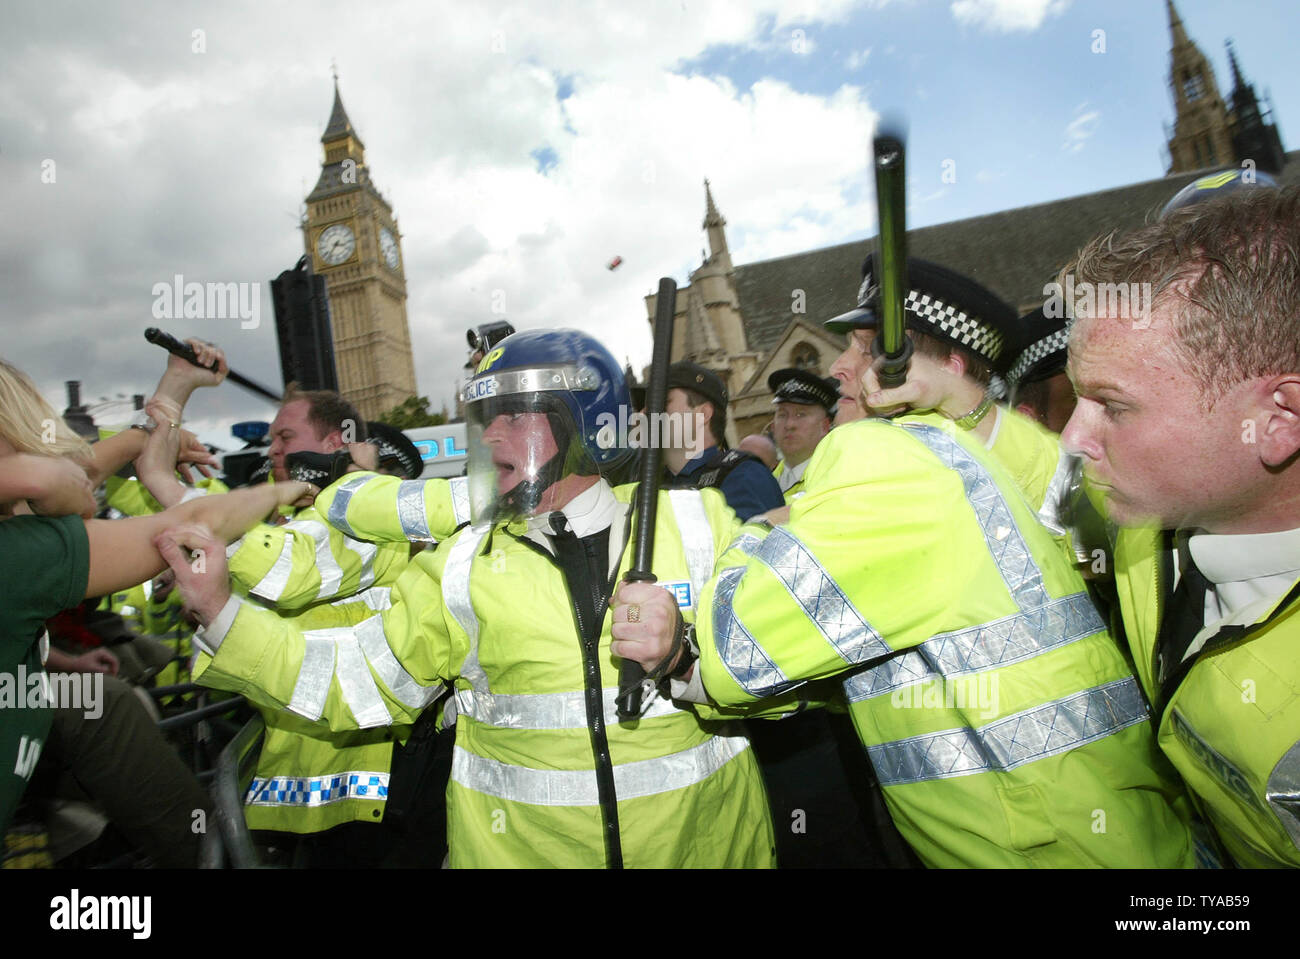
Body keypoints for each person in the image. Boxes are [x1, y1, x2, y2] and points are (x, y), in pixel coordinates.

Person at [612, 258, 1206, 868]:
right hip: (1121, 837)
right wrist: (968, 406)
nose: (841, 367)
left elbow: (739, 647)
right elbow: (1068, 497)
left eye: (865, 349)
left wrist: (761, 532)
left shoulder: (881, 457)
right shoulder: (958, 463)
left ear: (933, 368)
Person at [161, 329, 775, 867]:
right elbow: (350, 682)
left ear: (583, 420)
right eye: (488, 419)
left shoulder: (702, 527)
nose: (492, 436)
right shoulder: (461, 565)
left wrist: (685, 661)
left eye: (515, 415)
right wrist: (222, 613)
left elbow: (794, 687)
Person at [876, 187, 1300, 868]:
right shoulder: (1150, 513)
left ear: (1280, 418)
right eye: (1077, 394)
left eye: (1112, 406)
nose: (1072, 435)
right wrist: (958, 396)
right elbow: (1046, 481)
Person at [0, 356, 313, 836]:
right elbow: (185, 524)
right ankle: (205, 850)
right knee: (106, 708)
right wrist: (286, 491)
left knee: (103, 701)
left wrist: (159, 413)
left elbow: (78, 479)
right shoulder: (20, 554)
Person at [662, 361, 783, 521]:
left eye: (664, 403)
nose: (647, 412)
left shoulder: (742, 476)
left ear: (703, 414)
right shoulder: (646, 482)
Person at [767, 368, 838, 499]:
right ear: (772, 426)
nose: (789, 425)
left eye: (801, 414)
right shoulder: (764, 483)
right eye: (782, 415)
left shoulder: (837, 477)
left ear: (825, 426)